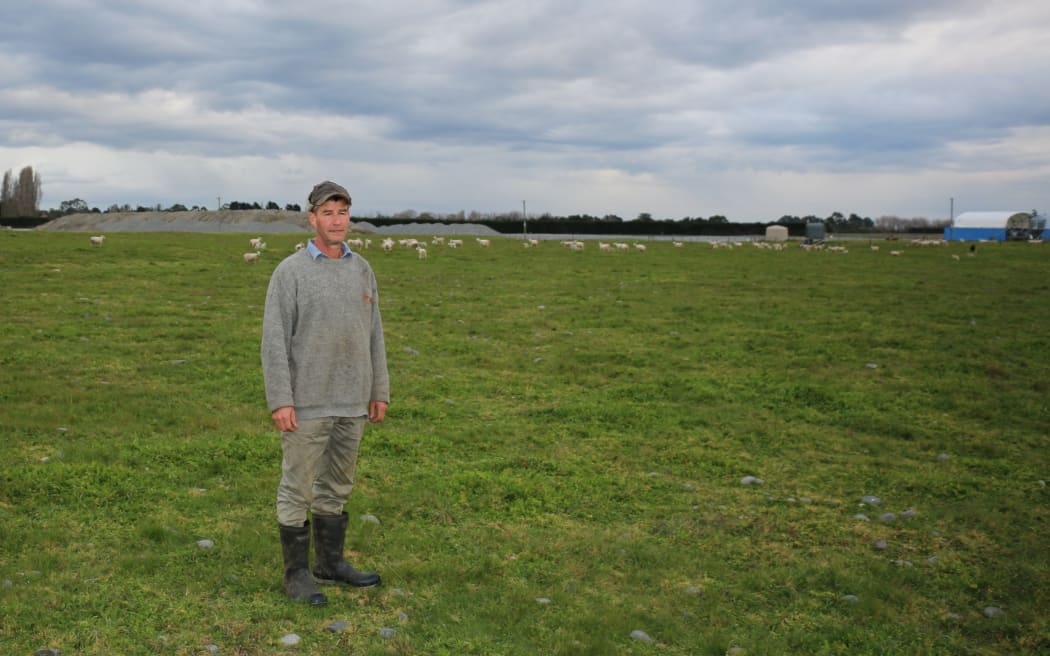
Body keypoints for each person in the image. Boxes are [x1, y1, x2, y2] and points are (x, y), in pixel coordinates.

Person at [261, 180, 390, 605]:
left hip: (353, 401)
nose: (337, 221)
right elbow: (274, 341)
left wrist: (379, 389)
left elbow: (374, 334)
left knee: (337, 485)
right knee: (297, 487)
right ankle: (296, 574)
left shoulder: (362, 269)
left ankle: (330, 563)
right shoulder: (290, 272)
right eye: (328, 213)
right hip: (306, 403)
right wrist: (281, 399)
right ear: (312, 219)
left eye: (343, 213)